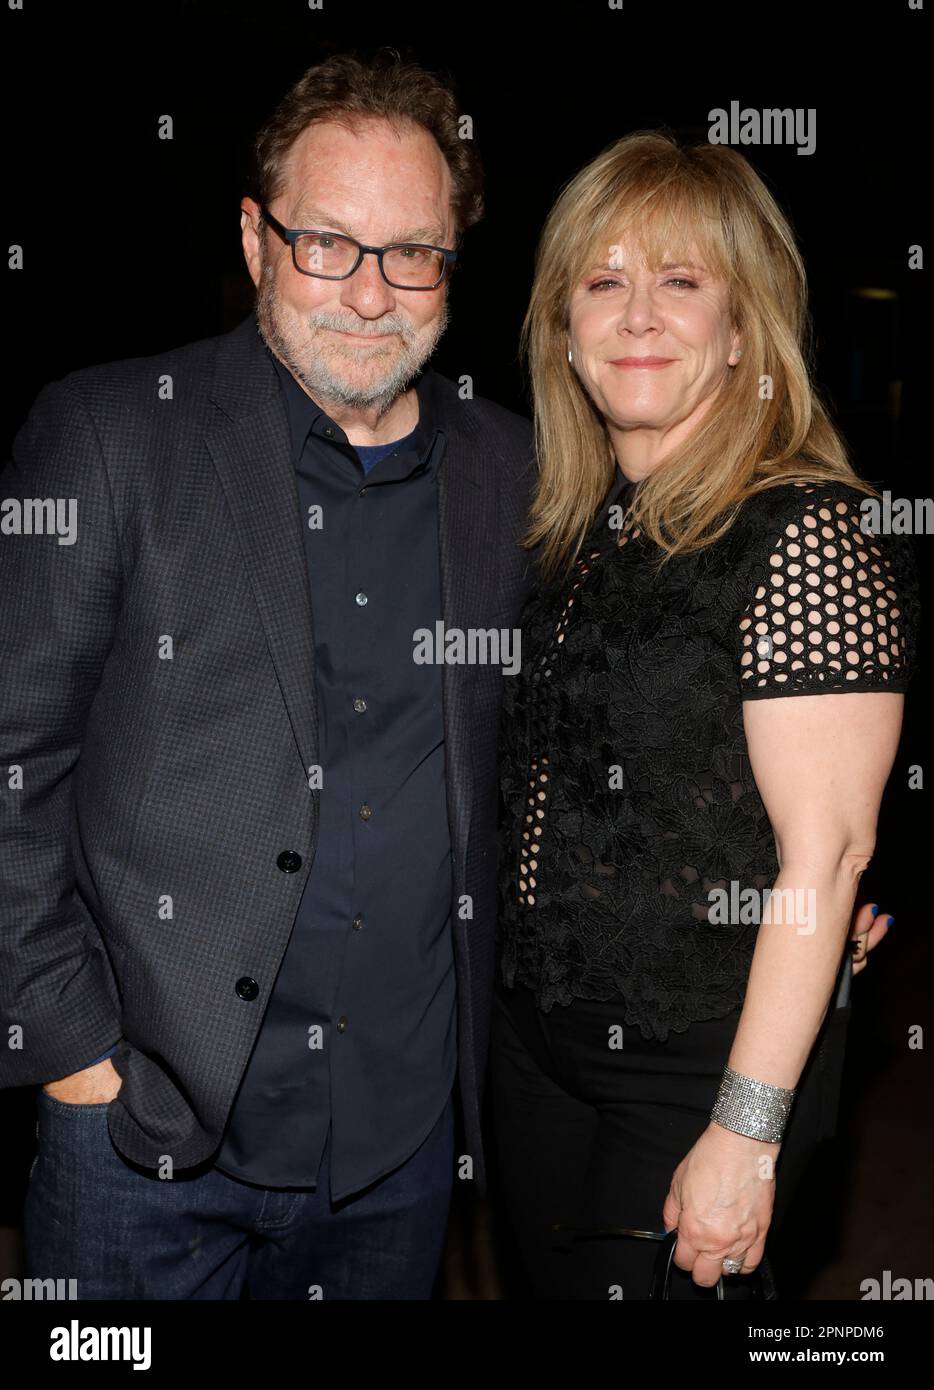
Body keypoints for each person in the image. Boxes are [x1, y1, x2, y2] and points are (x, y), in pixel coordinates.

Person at [0, 51, 536, 1299]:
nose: (370, 292)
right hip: (144, 1139)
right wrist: (77, 1054)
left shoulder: (511, 475)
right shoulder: (111, 433)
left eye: (412, 252)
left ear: (452, 263)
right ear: (254, 240)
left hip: (399, 1151)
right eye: (325, 244)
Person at [490, 131, 919, 1300]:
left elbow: (826, 856)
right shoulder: (580, 532)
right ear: (561, 328)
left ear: (742, 330)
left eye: (682, 281)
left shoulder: (808, 535)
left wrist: (745, 1130)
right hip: (534, 1050)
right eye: (603, 279)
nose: (637, 314)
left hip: (698, 1071)